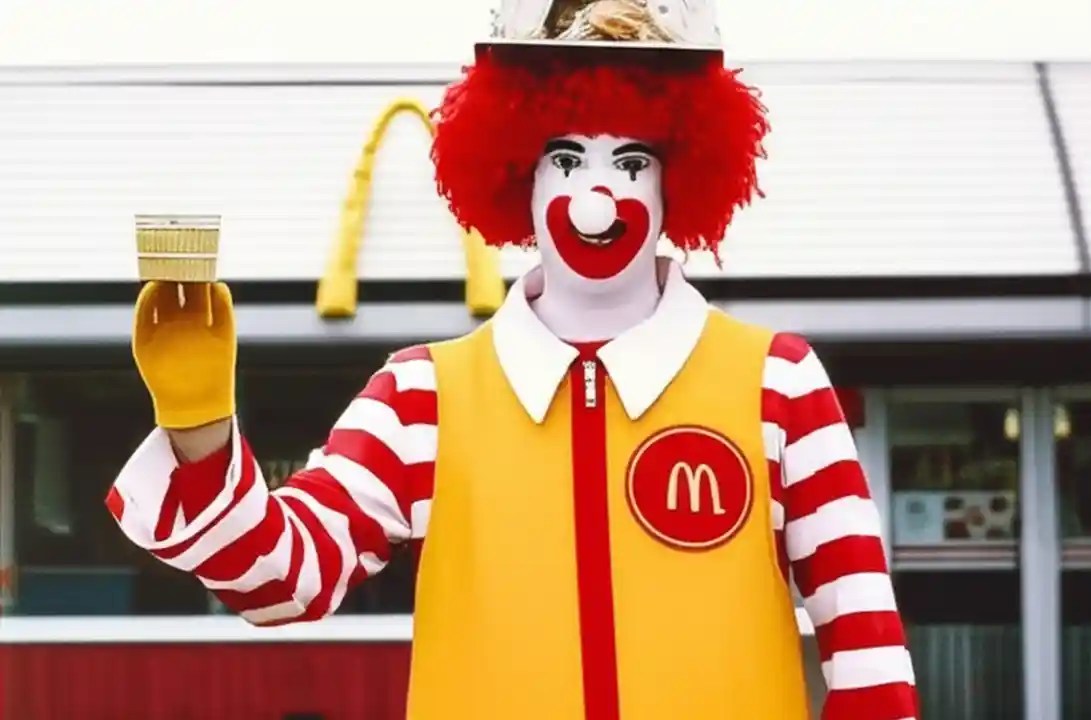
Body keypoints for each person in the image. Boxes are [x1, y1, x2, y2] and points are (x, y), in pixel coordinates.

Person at [106, 1, 918, 717]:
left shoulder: (778, 384)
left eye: (631, 163)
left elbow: (871, 657)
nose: (597, 196)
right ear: (516, 179)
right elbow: (283, 582)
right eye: (566, 160)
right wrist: (200, 429)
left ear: (681, 182)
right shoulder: (423, 396)